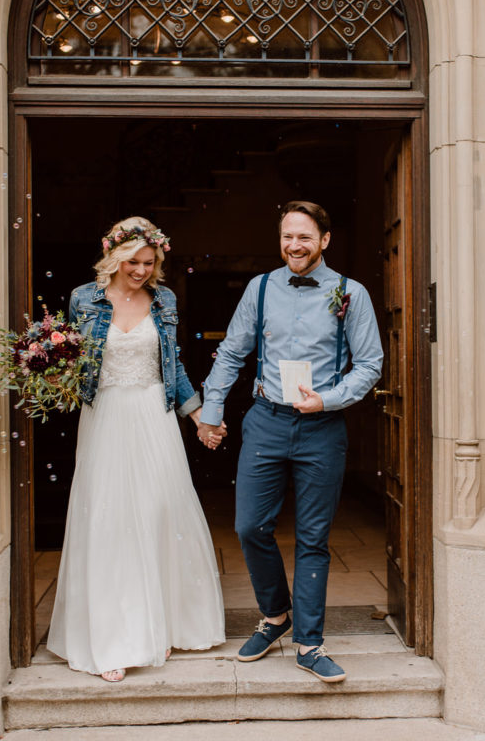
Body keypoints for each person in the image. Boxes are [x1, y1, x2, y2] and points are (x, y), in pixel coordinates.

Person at [197, 201, 383, 683]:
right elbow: (232, 352)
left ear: (325, 240)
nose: (293, 246)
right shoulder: (260, 289)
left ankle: (310, 643)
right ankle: (276, 616)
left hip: (322, 427)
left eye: (304, 237)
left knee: (313, 537)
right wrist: (211, 412)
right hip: (266, 420)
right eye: (286, 237)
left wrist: (330, 400)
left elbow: (369, 366)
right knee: (249, 526)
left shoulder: (350, 293)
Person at [48, 217, 226, 682]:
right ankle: (114, 640)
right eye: (133, 262)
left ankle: (156, 626)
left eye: (149, 263)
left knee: (156, 515)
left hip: (154, 415)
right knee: (109, 521)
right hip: (105, 415)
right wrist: (47, 373)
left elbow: (173, 364)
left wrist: (198, 416)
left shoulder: (163, 300)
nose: (141, 271)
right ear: (113, 257)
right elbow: (67, 359)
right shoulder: (83, 299)